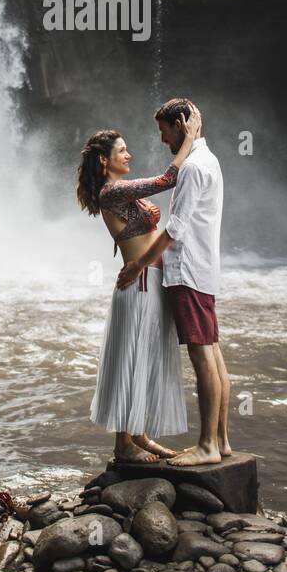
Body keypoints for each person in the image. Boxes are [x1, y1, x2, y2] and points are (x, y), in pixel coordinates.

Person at [75, 106, 201, 463]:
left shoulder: (122, 191)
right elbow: (167, 180)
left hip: (152, 279)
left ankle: (140, 435)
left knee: (146, 358)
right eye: (121, 151)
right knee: (132, 358)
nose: (129, 154)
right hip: (138, 285)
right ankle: (123, 445)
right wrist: (189, 138)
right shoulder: (112, 192)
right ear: (104, 162)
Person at [117, 97, 230, 467]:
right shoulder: (208, 159)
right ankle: (222, 442)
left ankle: (207, 445)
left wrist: (138, 266)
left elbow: (175, 229)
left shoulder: (193, 168)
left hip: (187, 271)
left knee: (201, 355)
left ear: (180, 124)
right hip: (203, 269)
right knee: (212, 353)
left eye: (164, 130)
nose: (163, 139)